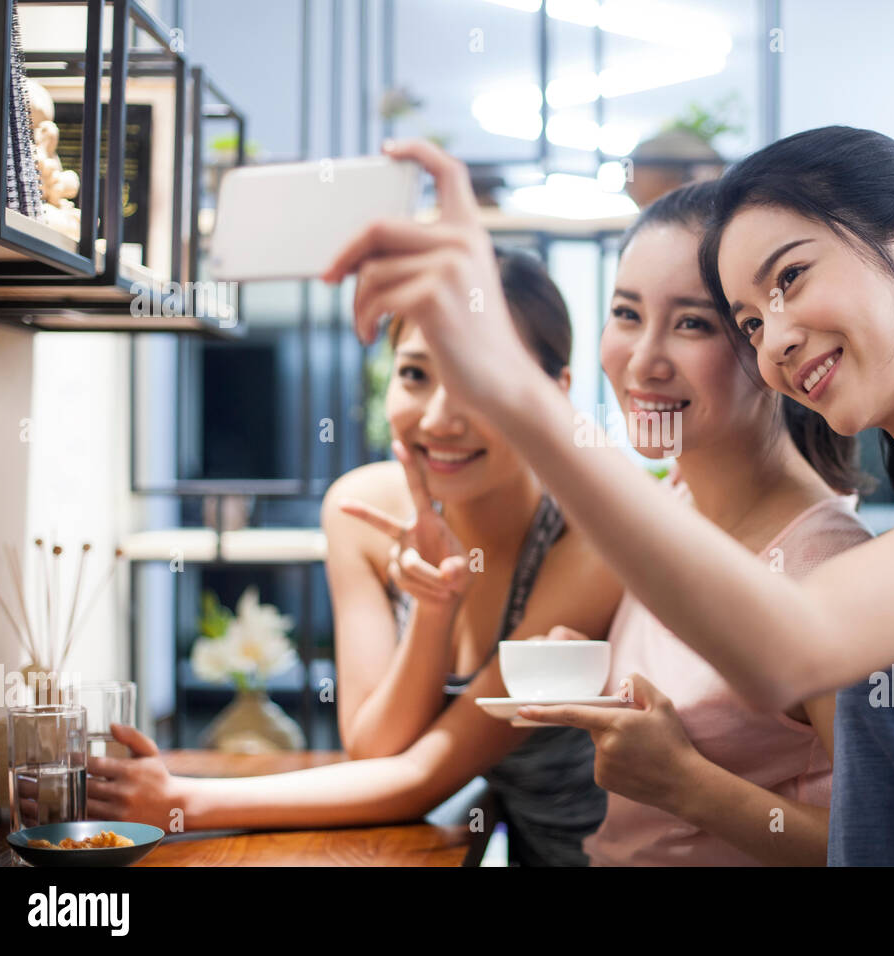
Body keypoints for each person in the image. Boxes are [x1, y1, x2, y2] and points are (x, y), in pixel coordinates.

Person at [322, 128, 894, 866]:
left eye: (792, 276)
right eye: (748, 320)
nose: (774, 340)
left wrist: (507, 380)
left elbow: (792, 645)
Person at [87, 249, 622, 867]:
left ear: (555, 393)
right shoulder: (362, 512)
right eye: (417, 374)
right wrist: (432, 609)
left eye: (482, 379)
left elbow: (423, 777)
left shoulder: (589, 538)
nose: (441, 418)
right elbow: (375, 751)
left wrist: (181, 803)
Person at [525, 181, 874, 865]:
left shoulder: (831, 570)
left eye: (692, 324)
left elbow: (885, 849)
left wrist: (686, 785)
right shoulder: (674, 501)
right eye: (626, 314)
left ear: (770, 341)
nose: (644, 361)